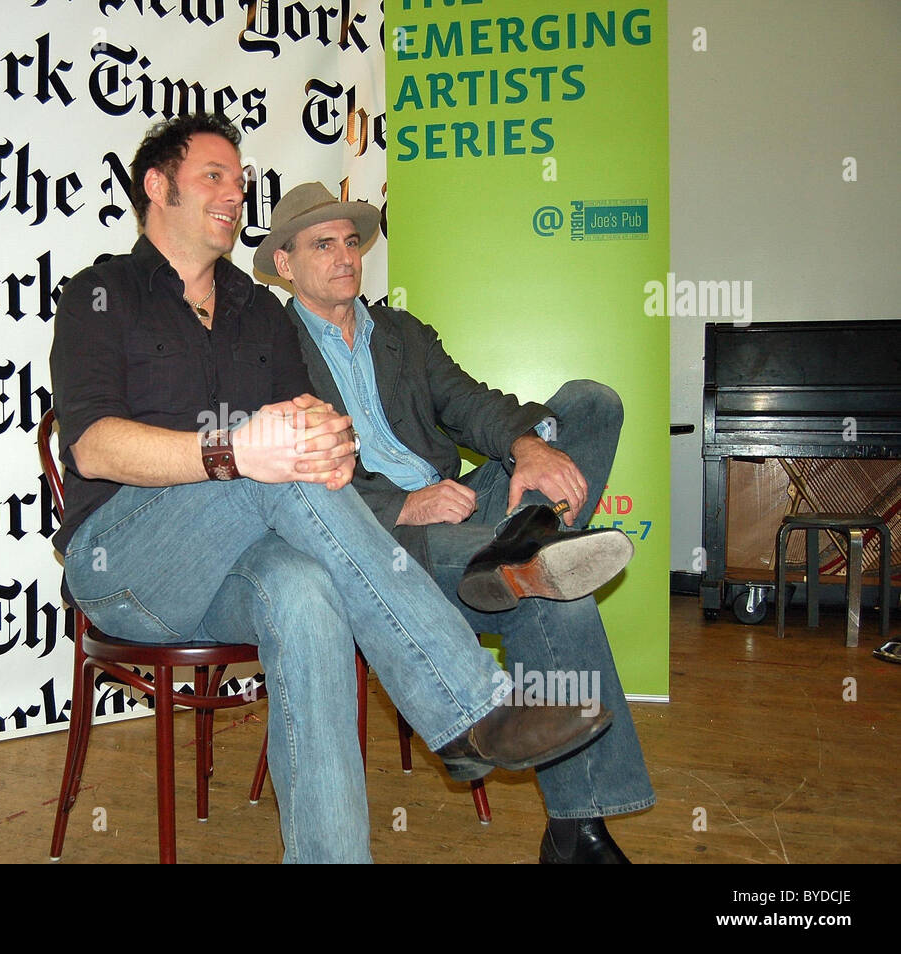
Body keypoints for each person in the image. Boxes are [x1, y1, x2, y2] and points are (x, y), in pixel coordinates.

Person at [49, 113, 612, 864]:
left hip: (242, 558)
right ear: (157, 186)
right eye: (213, 175)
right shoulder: (101, 293)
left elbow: (313, 428)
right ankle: (470, 707)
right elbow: (90, 446)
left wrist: (335, 453)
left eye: (240, 181)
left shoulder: (258, 313)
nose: (233, 193)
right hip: (124, 561)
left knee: (305, 593)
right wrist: (233, 450)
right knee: (267, 461)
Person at [257, 181, 656, 863]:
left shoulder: (402, 335)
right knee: (559, 599)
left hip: (464, 510)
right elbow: (285, 475)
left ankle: (517, 544)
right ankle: (578, 832)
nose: (346, 255)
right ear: (286, 264)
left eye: (352, 241)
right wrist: (404, 505)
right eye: (323, 244)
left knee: (590, 404)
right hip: (374, 538)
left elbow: (473, 404)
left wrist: (528, 446)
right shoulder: (267, 348)